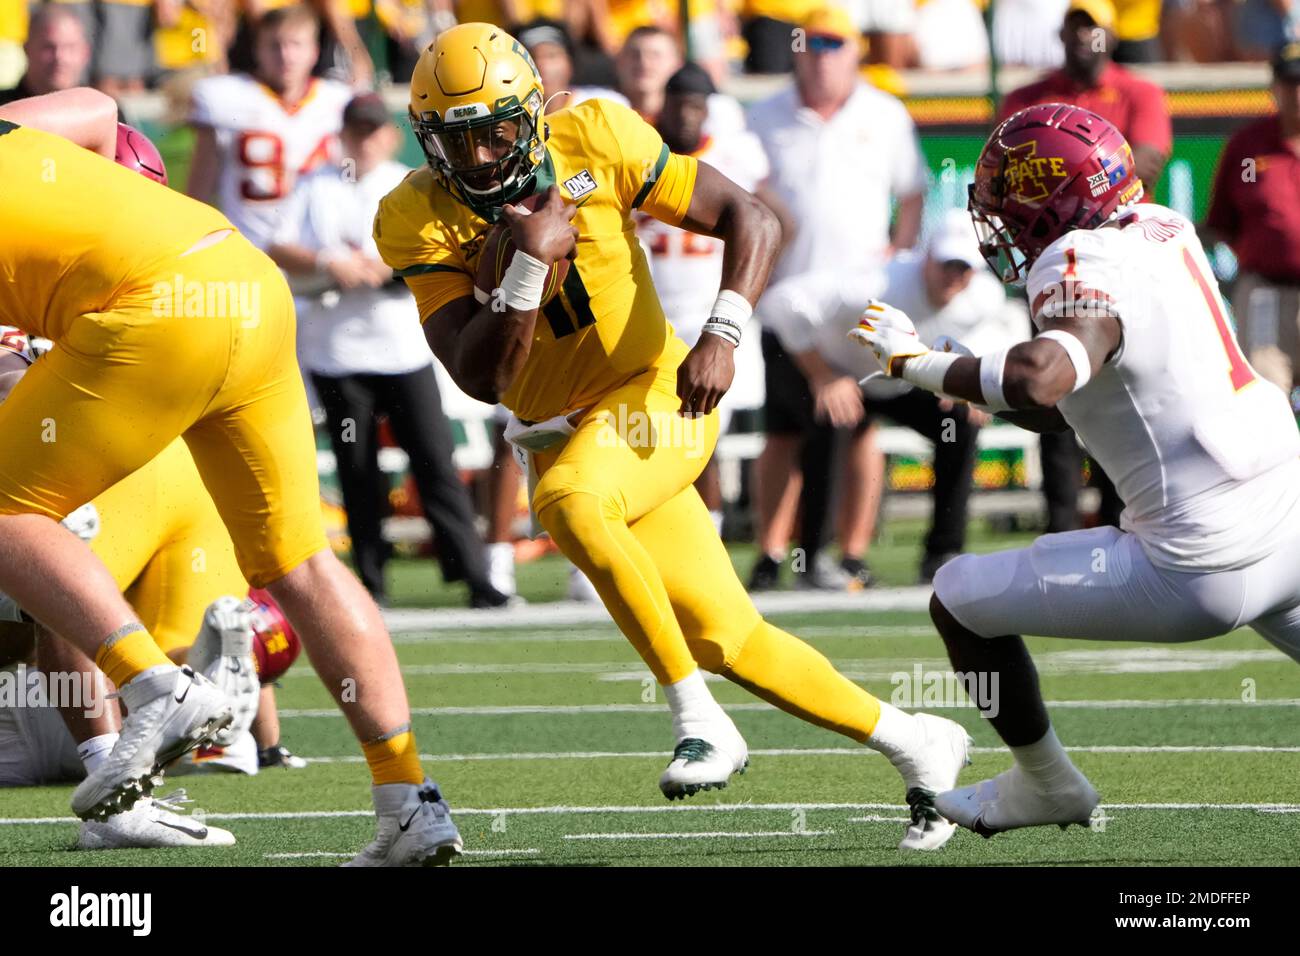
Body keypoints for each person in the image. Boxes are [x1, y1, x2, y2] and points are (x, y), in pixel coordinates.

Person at [376, 22, 973, 851]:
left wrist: (723, 331)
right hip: (557, 428)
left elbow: (750, 216)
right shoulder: (412, 216)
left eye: (495, 133)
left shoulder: (600, 135)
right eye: (458, 141)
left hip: (651, 391)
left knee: (568, 503)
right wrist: (521, 267)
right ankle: (919, 743)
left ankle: (699, 719)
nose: (479, 159)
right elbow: (482, 379)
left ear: (532, 114)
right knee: (731, 636)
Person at [0, 86, 459, 866]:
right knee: (303, 561)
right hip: (240, 274)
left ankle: (157, 685)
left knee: (9, 511)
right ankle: (408, 802)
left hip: (154, 311)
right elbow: (101, 106)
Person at [852, 103, 1300, 835]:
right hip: (1288, 520)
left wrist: (917, 364)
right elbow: (1092, 397)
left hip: (1199, 567)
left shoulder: (1075, 260)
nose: (998, 222)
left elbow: (1039, 378)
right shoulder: (1163, 229)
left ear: (1047, 198)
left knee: (958, 598)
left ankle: (1047, 785)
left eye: (1006, 201)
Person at [268, 93, 509, 609]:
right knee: (358, 471)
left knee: (434, 462)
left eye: (374, 131)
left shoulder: (409, 182)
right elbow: (279, 244)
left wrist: (390, 266)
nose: (365, 141)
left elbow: (453, 243)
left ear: (391, 135)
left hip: (404, 344)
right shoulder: (317, 185)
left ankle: (473, 574)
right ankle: (371, 582)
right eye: (357, 131)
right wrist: (330, 262)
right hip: (340, 351)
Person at [746, 4, 925, 590]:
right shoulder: (764, 114)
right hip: (788, 302)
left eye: (832, 44)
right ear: (795, 50)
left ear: (855, 51)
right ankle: (773, 553)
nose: (820, 56)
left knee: (862, 428)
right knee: (784, 431)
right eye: (810, 44)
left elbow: (912, 196)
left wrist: (896, 260)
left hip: (861, 304)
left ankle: (850, 554)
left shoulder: (885, 112)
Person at [762, 210, 1026, 586]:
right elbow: (782, 304)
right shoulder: (875, 285)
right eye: (947, 264)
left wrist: (969, 386)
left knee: (960, 423)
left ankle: (943, 553)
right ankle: (813, 559)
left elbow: (997, 334)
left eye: (963, 268)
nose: (954, 276)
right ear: (926, 259)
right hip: (840, 370)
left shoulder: (983, 298)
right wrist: (823, 376)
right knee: (833, 419)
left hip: (897, 382)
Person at [999, 0, 1171, 533]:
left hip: (1118, 264)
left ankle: (1126, 520)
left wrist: (1060, 173)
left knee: (1120, 393)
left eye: (1091, 29)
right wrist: (1079, 169)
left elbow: (1144, 163)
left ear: (1110, 35)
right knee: (1054, 394)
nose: (1082, 39)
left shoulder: (1139, 92)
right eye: (1074, 28)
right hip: (1054, 262)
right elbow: (1002, 171)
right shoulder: (1029, 98)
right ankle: (1061, 521)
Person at [636, 63, 778, 538]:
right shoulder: (640, 154)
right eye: (680, 104)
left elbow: (773, 223)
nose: (688, 115)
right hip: (649, 321)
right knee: (638, 437)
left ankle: (708, 535)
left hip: (710, 319)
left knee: (699, 436)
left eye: (697, 105)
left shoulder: (733, 157)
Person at [187, 4, 353, 251]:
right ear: (257, 50)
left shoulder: (339, 100)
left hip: (322, 259)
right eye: (275, 45)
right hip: (250, 252)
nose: (286, 56)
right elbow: (199, 189)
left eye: (296, 44)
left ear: (314, 51)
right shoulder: (225, 97)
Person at [1205, 41, 1300, 407]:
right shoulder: (1249, 148)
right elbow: (1222, 222)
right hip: (1265, 292)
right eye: (1290, 82)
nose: (1297, 91)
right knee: (1265, 400)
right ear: (1275, 87)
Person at [0, 3, 92, 105]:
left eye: (70, 47)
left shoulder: (103, 112)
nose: (59, 57)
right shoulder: (4, 110)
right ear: (26, 49)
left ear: (85, 52)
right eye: (48, 47)